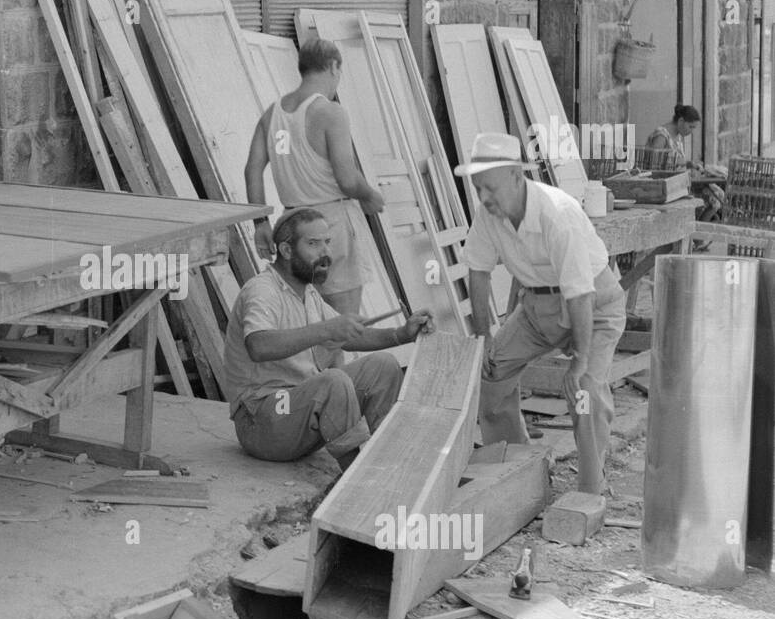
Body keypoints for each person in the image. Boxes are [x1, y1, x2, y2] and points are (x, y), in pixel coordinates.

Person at [457, 132, 626, 496]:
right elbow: (478, 271)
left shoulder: (557, 214)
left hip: (593, 306)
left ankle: (590, 491)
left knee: (585, 390)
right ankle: (516, 472)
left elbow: (581, 295)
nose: (484, 198)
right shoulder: (489, 214)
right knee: (492, 373)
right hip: (537, 306)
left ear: (517, 176)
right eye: (477, 189)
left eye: (490, 188)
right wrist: (484, 336)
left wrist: (579, 362)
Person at [224, 208, 433, 470]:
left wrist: (401, 334)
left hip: (296, 408)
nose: (325, 253)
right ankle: (357, 477)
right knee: (332, 381)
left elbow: (345, 336)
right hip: (262, 419)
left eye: (327, 242)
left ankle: (389, 461)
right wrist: (327, 329)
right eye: (313, 244)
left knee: (384, 365)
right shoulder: (262, 290)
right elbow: (258, 345)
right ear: (287, 251)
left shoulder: (307, 291)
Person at [244, 38, 385, 316]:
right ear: (333, 67)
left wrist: (260, 222)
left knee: (308, 321)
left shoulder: (272, 114)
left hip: (292, 227)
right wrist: (369, 195)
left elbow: (252, 170)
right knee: (342, 324)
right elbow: (346, 179)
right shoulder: (330, 112)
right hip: (329, 227)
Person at [642, 103, 724, 222]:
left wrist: (689, 164)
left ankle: (697, 232)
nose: (691, 131)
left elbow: (676, 160)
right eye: (690, 127)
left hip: (676, 183)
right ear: (681, 121)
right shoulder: (662, 135)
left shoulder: (678, 137)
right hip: (662, 186)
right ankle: (695, 233)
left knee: (718, 194)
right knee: (712, 198)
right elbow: (654, 165)